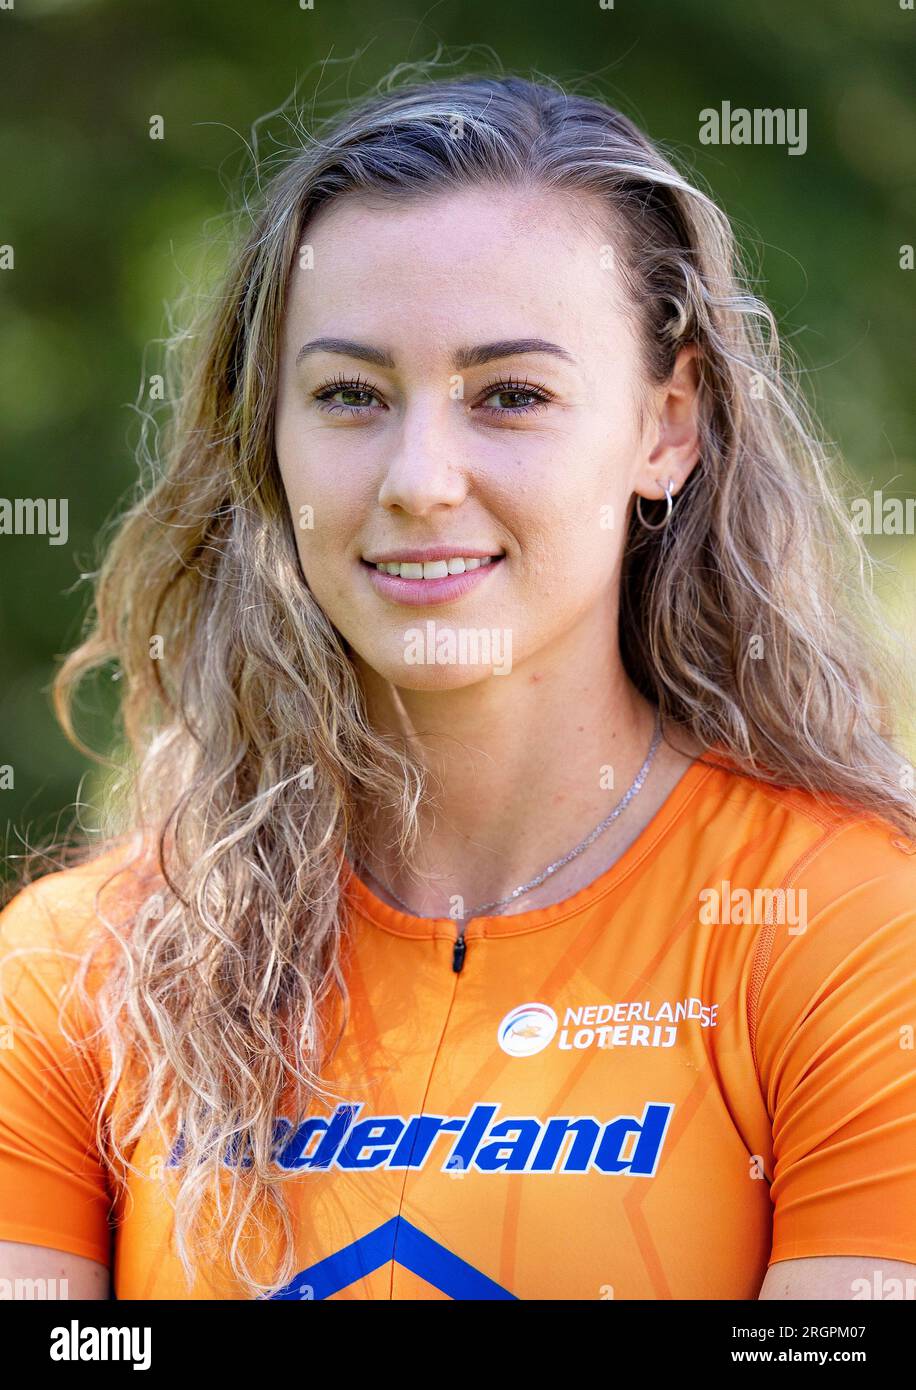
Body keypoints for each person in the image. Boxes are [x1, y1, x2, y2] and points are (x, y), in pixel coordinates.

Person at [1, 67, 914, 1302]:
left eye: (511, 396)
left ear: (666, 428)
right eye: (349, 397)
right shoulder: (77, 969)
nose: (420, 477)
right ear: (266, 437)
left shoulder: (854, 931)